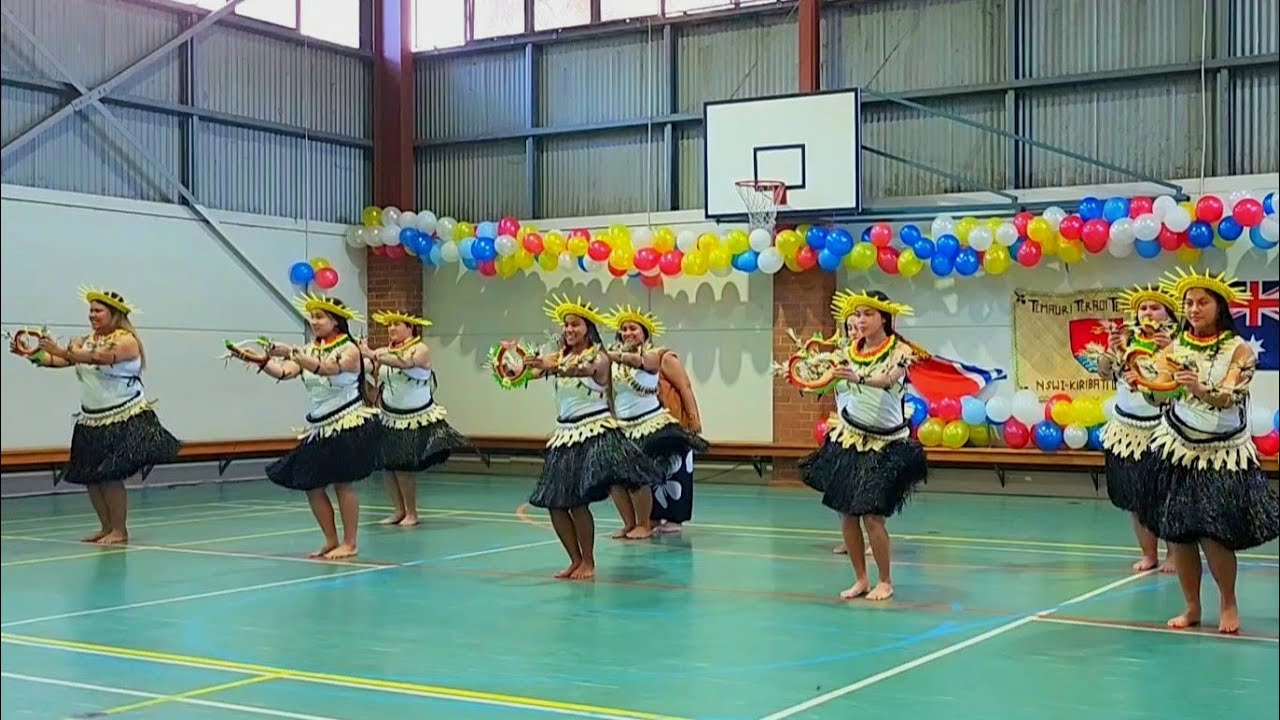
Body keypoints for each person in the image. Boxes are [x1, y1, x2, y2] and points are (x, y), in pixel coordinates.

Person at [1139, 267, 1280, 634]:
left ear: (1219, 307)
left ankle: (1228, 603)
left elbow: (1229, 397)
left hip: (1221, 453)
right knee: (1178, 533)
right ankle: (1191, 607)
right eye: (1188, 302)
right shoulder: (1175, 347)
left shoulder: (1239, 351)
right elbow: (1158, 393)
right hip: (1177, 448)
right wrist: (1143, 377)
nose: (1194, 308)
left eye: (1202, 302)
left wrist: (1198, 387)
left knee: (1213, 534)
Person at [7, 288, 180, 545]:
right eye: (90, 310)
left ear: (115, 314)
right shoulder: (85, 340)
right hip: (91, 419)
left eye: (98, 311)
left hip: (125, 417)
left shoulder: (127, 341)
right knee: (91, 476)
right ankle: (106, 527)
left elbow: (98, 358)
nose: (92, 315)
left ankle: (120, 530)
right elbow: (61, 361)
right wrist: (32, 354)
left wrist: (64, 350)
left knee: (109, 475)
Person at [518, 295, 663, 580]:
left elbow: (585, 369)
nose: (569, 330)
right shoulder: (559, 356)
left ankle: (589, 561)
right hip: (564, 435)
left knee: (577, 501)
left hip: (593, 434)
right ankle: (574, 560)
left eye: (575, 325)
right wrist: (515, 366)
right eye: (566, 325)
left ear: (588, 328)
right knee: (555, 502)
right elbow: (530, 371)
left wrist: (553, 366)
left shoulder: (599, 357)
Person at [225, 293, 378, 559]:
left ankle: (350, 542)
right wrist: (256, 359)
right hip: (320, 427)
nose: (314, 321)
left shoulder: (350, 350)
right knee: (312, 484)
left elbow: (326, 369)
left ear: (336, 322)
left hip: (348, 424)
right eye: (313, 317)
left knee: (343, 483)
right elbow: (285, 372)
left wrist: (293, 352)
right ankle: (331, 540)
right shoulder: (309, 348)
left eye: (320, 317)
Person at [798, 289, 927, 601]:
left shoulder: (901, 352)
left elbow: (886, 380)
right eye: (857, 314)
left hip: (887, 445)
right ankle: (860, 579)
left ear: (884, 317)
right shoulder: (848, 349)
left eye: (868, 314)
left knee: (872, 516)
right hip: (850, 439)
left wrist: (857, 377)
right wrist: (810, 374)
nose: (860, 320)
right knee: (846, 513)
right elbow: (827, 375)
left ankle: (885, 580)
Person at [603, 305, 706, 538]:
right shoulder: (615, 362)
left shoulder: (660, 356)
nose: (628, 333)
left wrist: (693, 418)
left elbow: (684, 387)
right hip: (626, 426)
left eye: (633, 329)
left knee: (672, 472)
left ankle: (673, 517)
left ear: (645, 334)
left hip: (663, 422)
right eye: (624, 329)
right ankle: (645, 520)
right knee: (639, 475)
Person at [1095, 284, 1178, 572]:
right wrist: (1111, 347)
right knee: (1135, 498)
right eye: (1143, 307)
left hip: (1163, 430)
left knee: (1165, 497)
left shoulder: (1180, 342)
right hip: (1127, 430)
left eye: (1155, 307)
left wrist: (1168, 348)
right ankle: (1149, 554)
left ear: (1168, 313)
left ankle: (1175, 556)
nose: (1148, 312)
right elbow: (1103, 370)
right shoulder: (1126, 340)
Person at [362, 310, 471, 527]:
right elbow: (369, 367)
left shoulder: (420, 349)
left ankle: (411, 512)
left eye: (397, 324)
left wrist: (370, 353)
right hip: (389, 417)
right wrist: (356, 360)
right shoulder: (383, 352)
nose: (391, 328)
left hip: (414, 418)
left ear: (410, 327)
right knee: (389, 466)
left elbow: (404, 363)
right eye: (389, 325)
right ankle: (398, 510)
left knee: (403, 466)